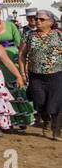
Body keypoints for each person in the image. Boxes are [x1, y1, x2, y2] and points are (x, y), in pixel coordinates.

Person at [19, 8, 62, 139]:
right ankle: (46, 120)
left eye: (41, 19)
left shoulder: (59, 34)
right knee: (39, 102)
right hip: (35, 75)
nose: (37, 21)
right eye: (36, 18)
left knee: (56, 103)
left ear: (50, 22)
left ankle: (56, 129)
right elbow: (22, 55)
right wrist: (22, 72)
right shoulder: (29, 35)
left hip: (56, 74)